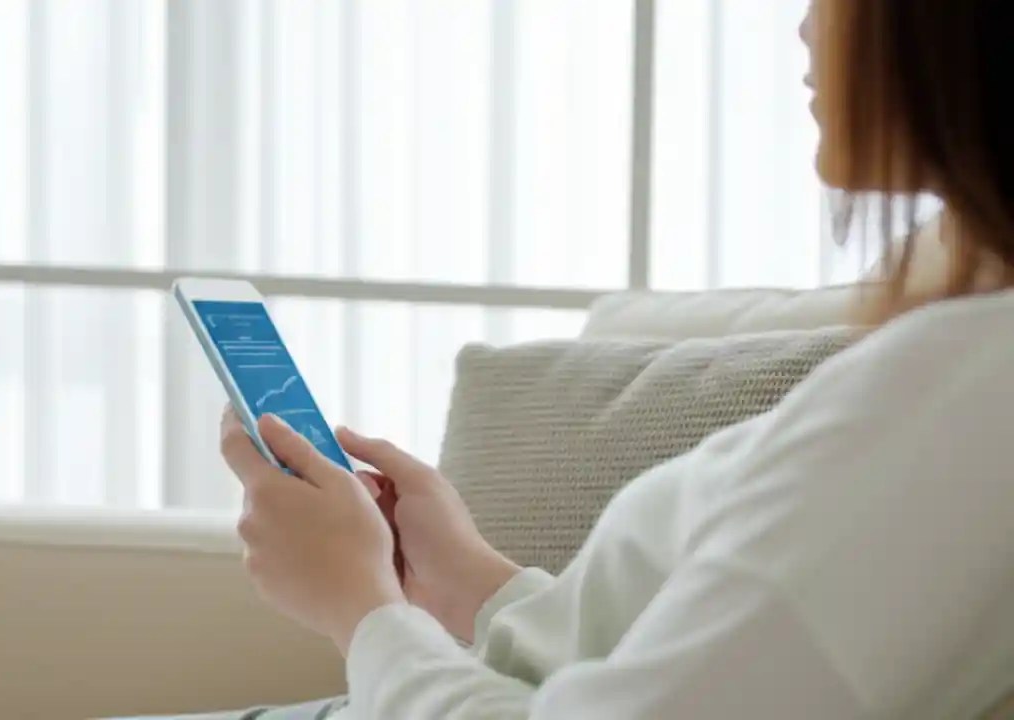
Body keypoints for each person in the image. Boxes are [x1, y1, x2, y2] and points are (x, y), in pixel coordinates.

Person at [129, 0, 1014, 717]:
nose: (805, 23)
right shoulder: (956, 367)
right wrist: (476, 585)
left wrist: (360, 609)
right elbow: (675, 669)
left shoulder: (966, 393)